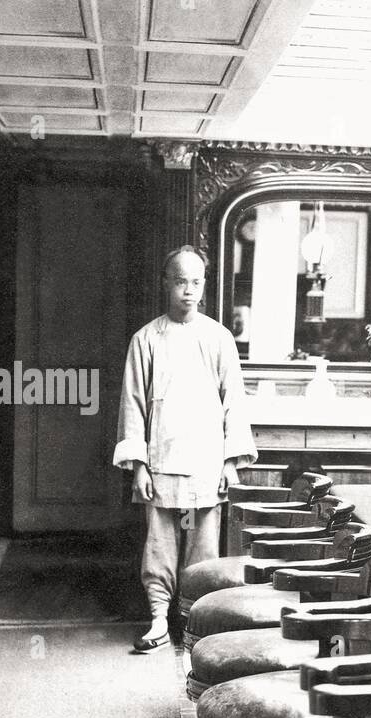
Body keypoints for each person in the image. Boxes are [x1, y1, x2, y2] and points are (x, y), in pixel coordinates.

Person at [113, 245, 257, 652]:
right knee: (159, 546)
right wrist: (139, 466)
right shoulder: (146, 340)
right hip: (161, 461)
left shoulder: (218, 338)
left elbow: (234, 402)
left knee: (203, 550)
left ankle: (194, 621)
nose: (188, 291)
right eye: (180, 281)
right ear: (166, 284)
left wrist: (231, 462)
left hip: (206, 463)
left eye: (196, 282)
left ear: (204, 286)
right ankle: (159, 617)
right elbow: (134, 404)